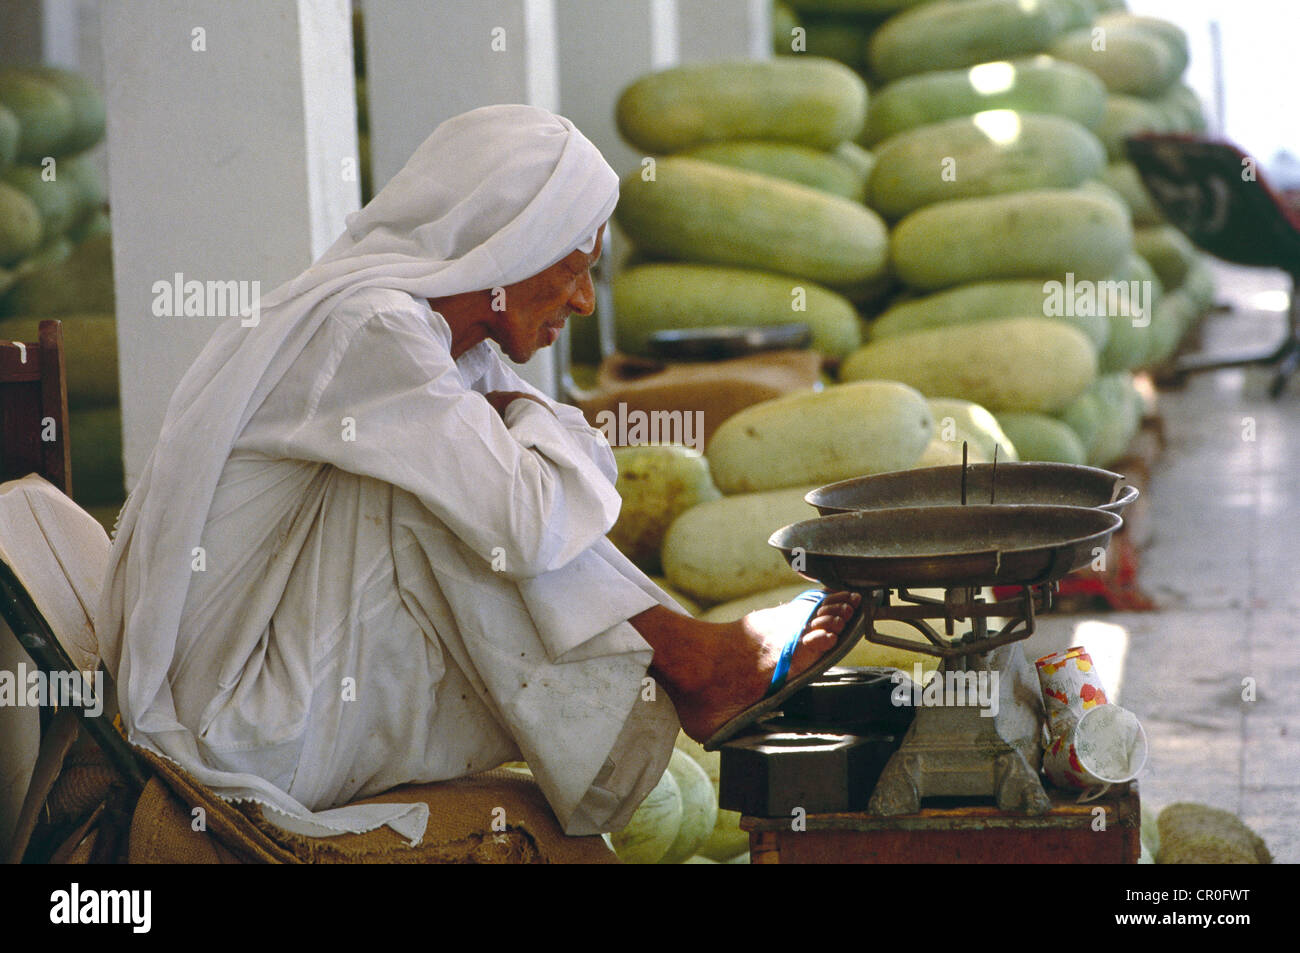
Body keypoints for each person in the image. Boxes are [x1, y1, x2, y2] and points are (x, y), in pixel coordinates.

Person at [96, 104, 857, 845]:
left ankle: (694, 660)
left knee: (472, 484)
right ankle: (693, 661)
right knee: (441, 498)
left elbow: (561, 487)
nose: (585, 300)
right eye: (573, 268)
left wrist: (511, 418)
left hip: (290, 698)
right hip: (240, 731)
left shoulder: (445, 345)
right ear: (507, 246)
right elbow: (528, 522)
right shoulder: (369, 329)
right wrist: (516, 423)